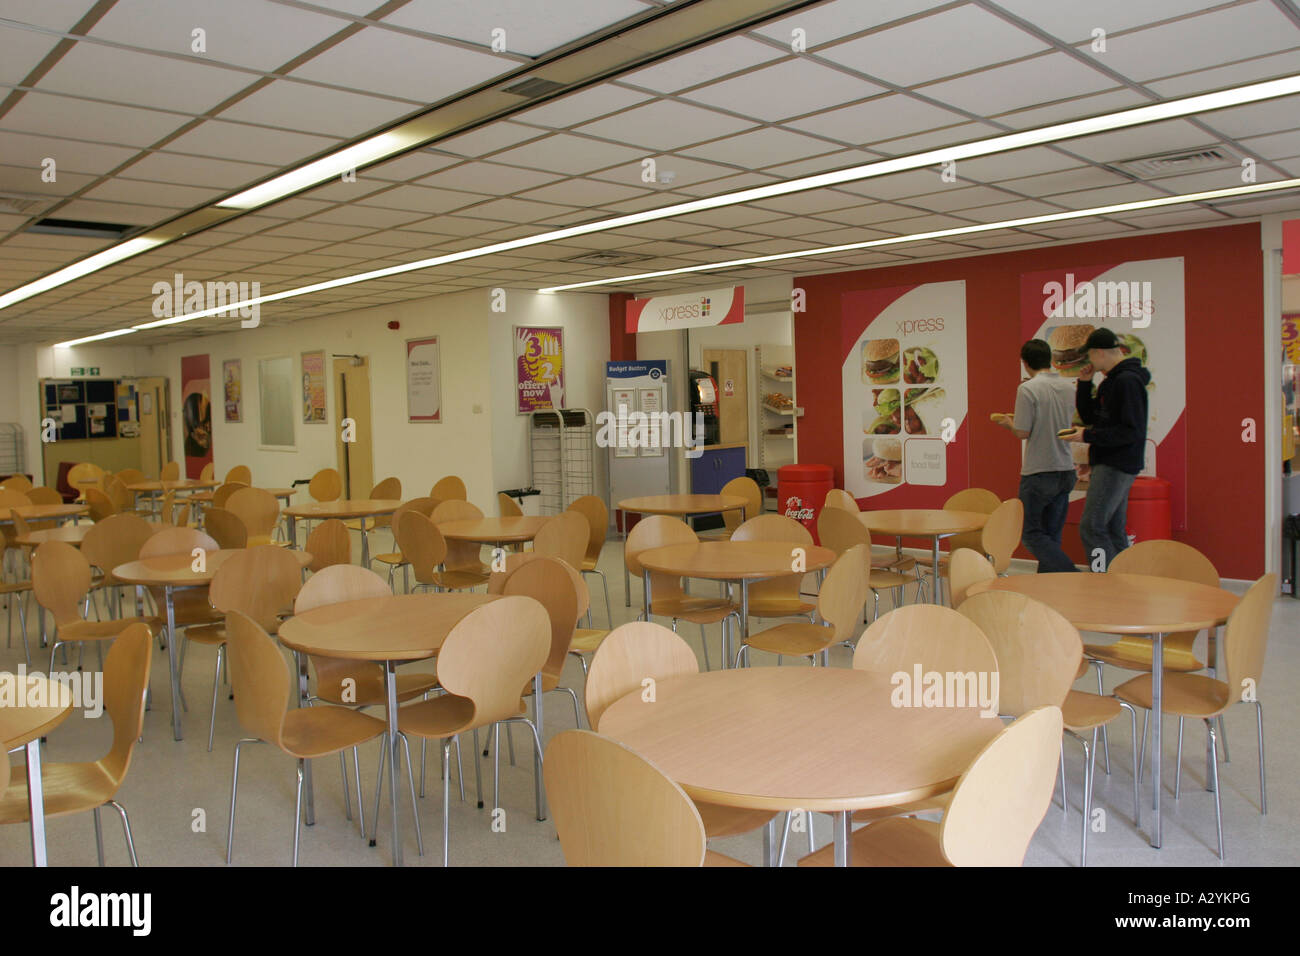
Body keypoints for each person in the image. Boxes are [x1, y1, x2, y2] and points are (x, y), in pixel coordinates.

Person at [1062, 326, 1151, 569]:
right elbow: (1092, 415)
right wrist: (1084, 383)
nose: (1089, 360)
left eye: (1089, 354)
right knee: (1112, 527)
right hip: (1112, 462)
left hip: (1116, 463)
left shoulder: (1127, 382)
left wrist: (1086, 435)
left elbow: (1130, 431)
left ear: (1099, 352)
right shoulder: (1111, 382)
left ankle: (1102, 578)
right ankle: (1124, 577)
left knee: (1092, 526)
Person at [992, 338, 1078, 572]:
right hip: (1066, 469)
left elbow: (1023, 431)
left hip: (1039, 471)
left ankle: (1071, 574)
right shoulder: (1069, 387)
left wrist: (1008, 423)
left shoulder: (1027, 388)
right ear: (1050, 359)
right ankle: (1049, 587)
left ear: (1025, 363)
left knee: (1031, 534)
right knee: (1052, 535)